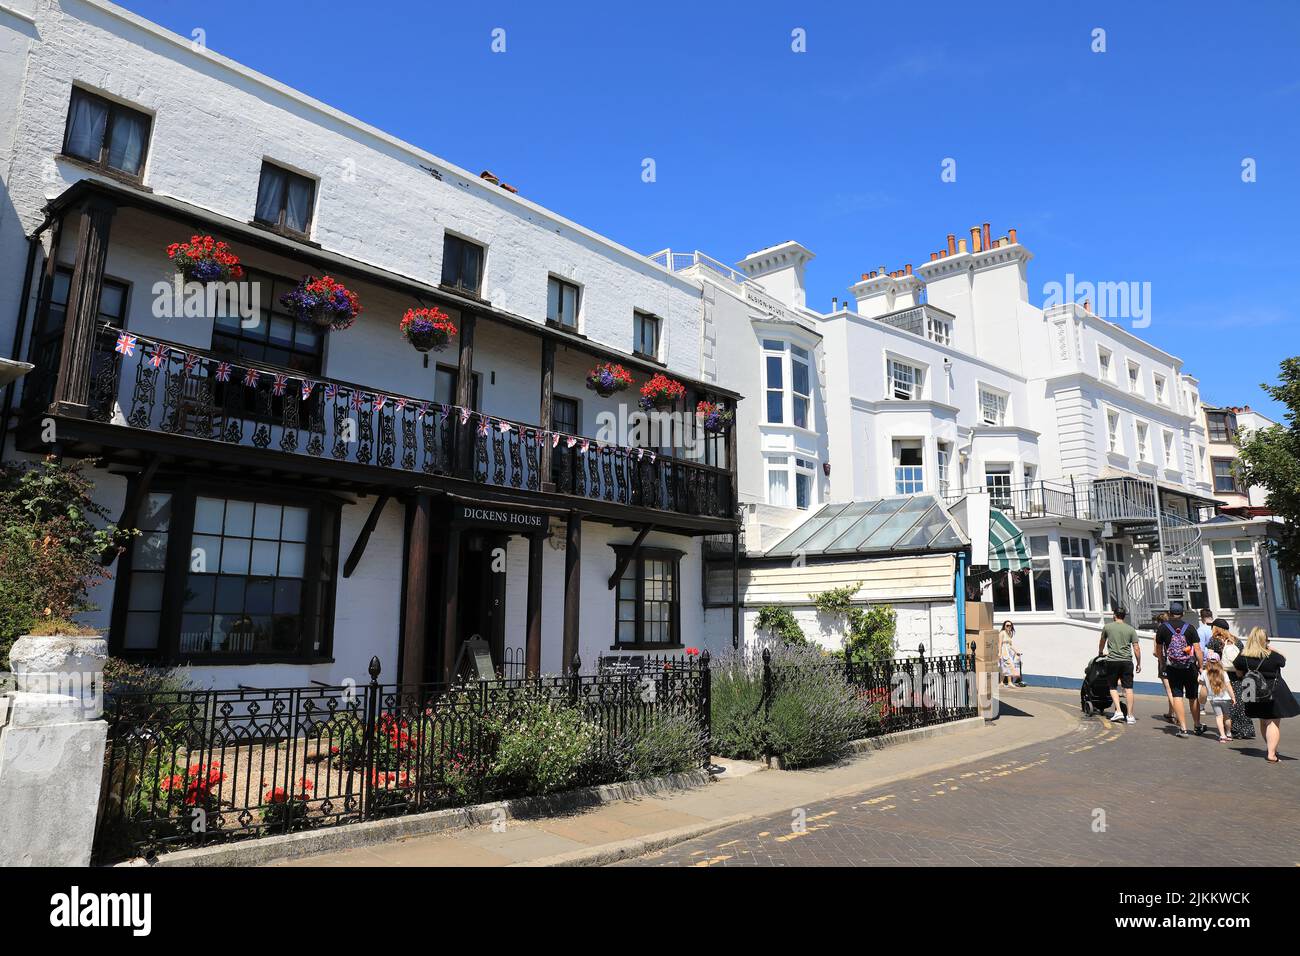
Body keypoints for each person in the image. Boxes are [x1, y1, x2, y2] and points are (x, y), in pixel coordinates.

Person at [1234, 627, 1298, 763]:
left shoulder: (1242, 656)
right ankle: (1271, 753)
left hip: (1252, 691)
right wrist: (1270, 647)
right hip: (1272, 690)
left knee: (1263, 721)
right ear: (1264, 640)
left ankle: (1270, 748)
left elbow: (1239, 674)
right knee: (1273, 721)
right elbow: (1283, 660)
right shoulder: (1272, 656)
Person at [1154, 601, 1203, 738]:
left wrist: (1162, 661)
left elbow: (1158, 649)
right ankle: (1197, 725)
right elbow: (1198, 649)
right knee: (1193, 697)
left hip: (1173, 667)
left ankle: (1183, 728)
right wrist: (1201, 666)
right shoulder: (1190, 628)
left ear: (1169, 613)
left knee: (1177, 695)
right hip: (1189, 667)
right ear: (1182, 614)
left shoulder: (1163, 628)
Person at [1098, 607, 1140, 723]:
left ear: (1114, 615)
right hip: (1127, 661)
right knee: (1129, 688)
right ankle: (1130, 716)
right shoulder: (1130, 629)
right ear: (1124, 616)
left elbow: (1102, 642)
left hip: (1113, 661)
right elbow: (1136, 648)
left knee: (1112, 686)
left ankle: (1119, 712)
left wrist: (1100, 652)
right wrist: (1139, 663)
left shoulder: (1108, 627)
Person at [1214, 621, 1254, 740]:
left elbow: (1212, 659)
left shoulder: (1215, 641)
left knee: (1229, 702)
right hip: (1239, 674)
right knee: (1241, 702)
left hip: (1224, 675)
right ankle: (1246, 729)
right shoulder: (1236, 640)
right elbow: (1243, 656)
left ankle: (1233, 729)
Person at [1201, 656, 1236, 742]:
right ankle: (1228, 734)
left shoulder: (1205, 673)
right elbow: (1228, 686)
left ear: (1208, 662)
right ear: (1219, 661)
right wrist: (1233, 697)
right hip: (1226, 698)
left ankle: (1222, 736)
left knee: (1219, 717)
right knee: (1227, 716)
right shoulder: (1223, 673)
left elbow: (1200, 681)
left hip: (1214, 699)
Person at [1153, 611, 1178, 723]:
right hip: (1176, 663)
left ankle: (1177, 714)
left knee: (1169, 691)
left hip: (1164, 663)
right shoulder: (1174, 632)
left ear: (1160, 622)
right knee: (1175, 689)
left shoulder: (1159, 633)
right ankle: (1170, 712)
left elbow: (1156, 652)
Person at [998, 622, 1025, 687]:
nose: (1009, 626)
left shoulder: (1009, 633)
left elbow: (1010, 645)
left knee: (1004, 667)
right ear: (1004, 626)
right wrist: (999, 653)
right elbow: (1000, 643)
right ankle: (1009, 682)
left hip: (1008, 651)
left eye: (1010, 625)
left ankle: (1001, 683)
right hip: (1004, 650)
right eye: (1007, 625)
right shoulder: (1002, 633)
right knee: (1009, 665)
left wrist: (1016, 651)